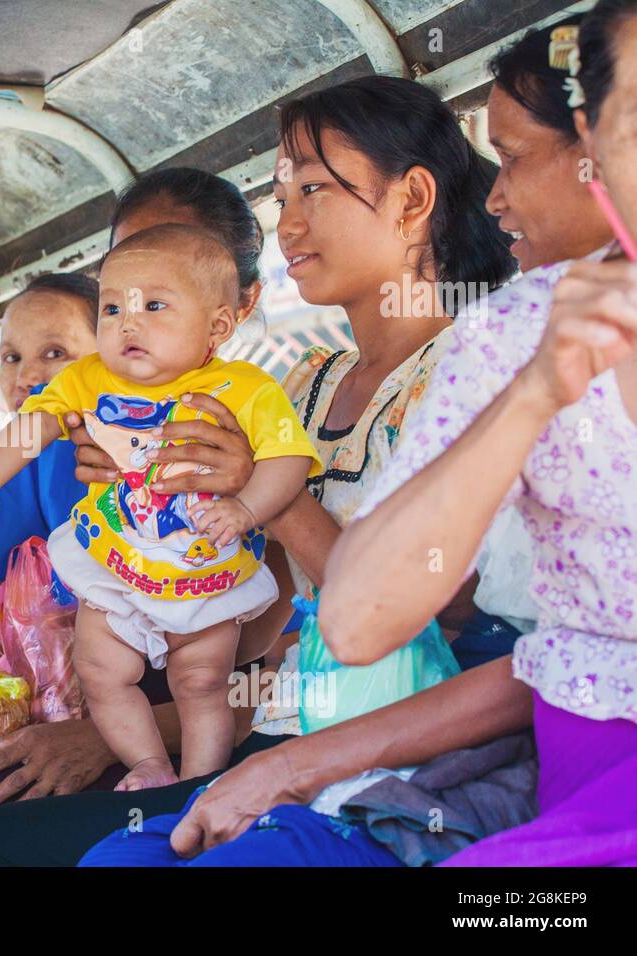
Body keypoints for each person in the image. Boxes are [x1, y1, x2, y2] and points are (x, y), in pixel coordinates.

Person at [0, 74, 518, 865]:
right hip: (275, 725)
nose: (287, 224)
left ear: (412, 198)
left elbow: (435, 616)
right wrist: (147, 520)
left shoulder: (475, 373)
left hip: (385, 746)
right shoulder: (306, 385)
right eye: (282, 196)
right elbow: (260, 621)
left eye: (314, 190)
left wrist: (263, 494)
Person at [0, 170, 274, 828]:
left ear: (232, 308)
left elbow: (277, 667)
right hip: (95, 705)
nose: (136, 311)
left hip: (210, 732)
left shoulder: (262, 435)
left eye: (162, 293)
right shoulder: (51, 446)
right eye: (119, 289)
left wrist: (108, 737)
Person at [318, 0, 637, 867]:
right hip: (602, 761)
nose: (495, 195)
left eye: (313, 189)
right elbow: (355, 622)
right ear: (595, 151)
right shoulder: (512, 335)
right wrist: (536, 395)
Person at [0, 226, 320, 789]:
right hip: (117, 561)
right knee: (100, 669)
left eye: (154, 306)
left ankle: (198, 783)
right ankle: (148, 765)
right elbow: (35, 422)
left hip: (204, 565)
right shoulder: (87, 378)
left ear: (218, 326)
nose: (129, 322)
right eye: (111, 308)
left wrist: (246, 510)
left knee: (199, 680)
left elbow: (287, 459)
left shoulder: (244, 388)